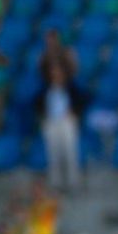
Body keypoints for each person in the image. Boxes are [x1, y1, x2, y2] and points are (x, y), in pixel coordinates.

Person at [36, 63, 86, 191]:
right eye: (53, 73)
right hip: (52, 122)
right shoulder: (45, 89)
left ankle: (73, 182)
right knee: (53, 153)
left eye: (58, 73)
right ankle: (55, 183)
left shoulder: (71, 88)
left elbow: (81, 101)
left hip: (67, 122)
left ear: (63, 75)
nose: (56, 76)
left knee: (70, 152)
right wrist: (44, 117)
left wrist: (74, 112)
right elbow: (38, 105)